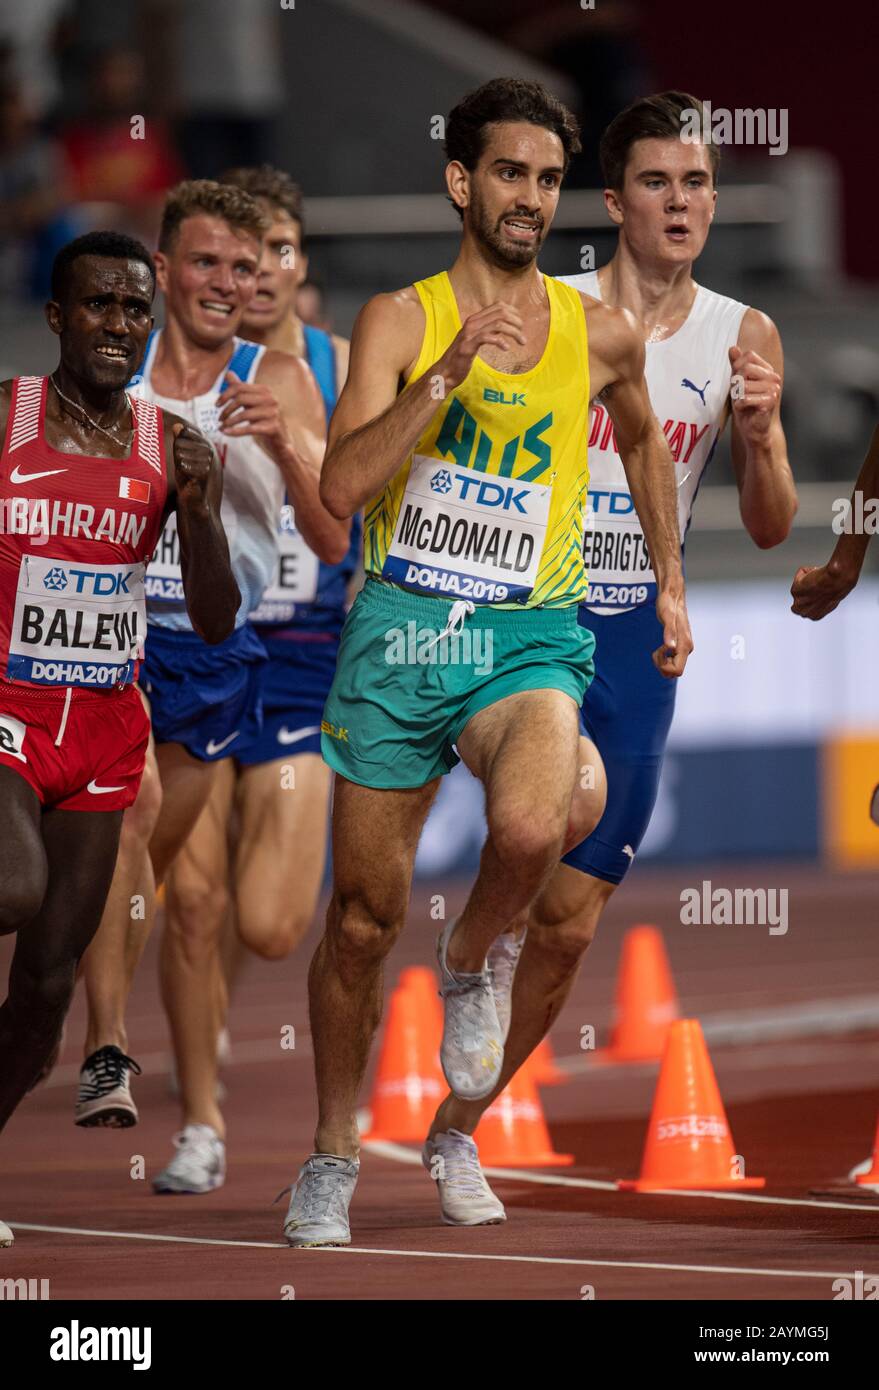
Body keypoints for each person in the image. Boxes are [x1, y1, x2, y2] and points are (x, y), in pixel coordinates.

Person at [281, 77, 693, 1248]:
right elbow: (345, 486)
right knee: (360, 924)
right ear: (462, 182)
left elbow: (645, 441)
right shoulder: (399, 321)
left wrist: (665, 576)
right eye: (509, 173)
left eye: (548, 178)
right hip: (403, 632)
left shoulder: (595, 328)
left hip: (529, 630)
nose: (530, 197)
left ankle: (474, 957)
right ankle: (331, 1154)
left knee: (533, 825)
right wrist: (451, 371)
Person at [420, 90, 797, 1226]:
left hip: (640, 633)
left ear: (716, 201)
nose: (680, 203)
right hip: (529, 612)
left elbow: (774, 526)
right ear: (613, 199)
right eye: (656, 182)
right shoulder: (555, 310)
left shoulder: (745, 334)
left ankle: (458, 1132)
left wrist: (766, 434)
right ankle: (467, 949)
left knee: (576, 921)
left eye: (698, 185)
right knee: (543, 816)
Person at [75, 183, 346, 1182]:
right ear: (163, 265)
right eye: (210, 263)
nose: (233, 281)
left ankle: (110, 990)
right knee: (166, 871)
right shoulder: (120, 367)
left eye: (252, 263)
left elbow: (334, 529)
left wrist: (282, 437)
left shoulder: (298, 370)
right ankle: (167, 1094)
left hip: (258, 657)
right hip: (120, 645)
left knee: (261, 919)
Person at [0, 229, 239, 1248]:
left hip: (103, 735)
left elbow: (219, 617)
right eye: (99, 305)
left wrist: (204, 508)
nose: (119, 326)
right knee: (13, 890)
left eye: (136, 309)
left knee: (51, 986)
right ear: (58, 317)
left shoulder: (169, 446)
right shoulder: (7, 419)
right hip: (7, 714)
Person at [154, 164, 356, 1153]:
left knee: (271, 921)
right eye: (238, 255)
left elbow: (353, 519)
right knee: (192, 897)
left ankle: (218, 991)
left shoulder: (341, 365)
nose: (257, 272)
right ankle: (200, 1118)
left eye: (276, 251)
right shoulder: (159, 368)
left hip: (300, 657)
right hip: (191, 645)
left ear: (299, 265)